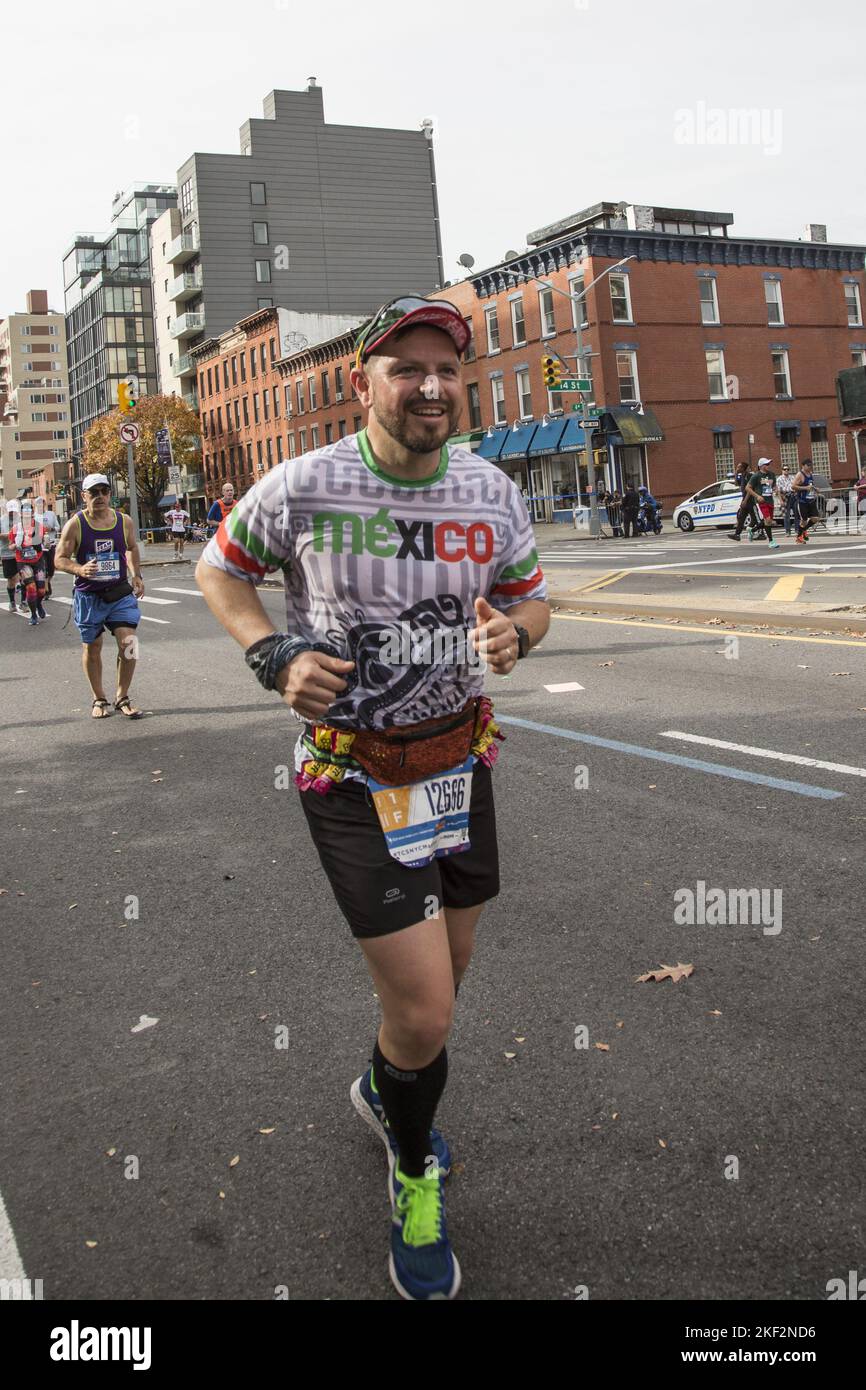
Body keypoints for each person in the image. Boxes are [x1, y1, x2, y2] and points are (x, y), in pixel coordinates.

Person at [196, 293, 550, 1301]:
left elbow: (533, 596)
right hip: (352, 774)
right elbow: (219, 570)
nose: (429, 385)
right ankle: (411, 1170)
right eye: (406, 367)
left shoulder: (488, 490)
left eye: (444, 368)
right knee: (429, 1007)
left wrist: (515, 636)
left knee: (445, 977)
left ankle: (385, 1085)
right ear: (363, 383)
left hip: (458, 763)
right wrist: (269, 652)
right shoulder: (302, 485)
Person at [53, 474, 146, 719]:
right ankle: (99, 698)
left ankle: (122, 696)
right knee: (92, 647)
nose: (100, 497)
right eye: (93, 493)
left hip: (118, 593)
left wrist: (137, 575)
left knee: (130, 644)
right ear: (84, 497)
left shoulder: (123, 521)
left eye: (104, 491)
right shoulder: (75, 524)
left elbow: (132, 547)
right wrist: (79, 569)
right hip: (89, 596)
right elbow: (59, 559)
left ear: (109, 494)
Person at [729, 457, 779, 546]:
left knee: (763, 520)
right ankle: (769, 540)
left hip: (755, 501)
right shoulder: (751, 476)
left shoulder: (752, 475)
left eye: (739, 467)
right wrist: (736, 473)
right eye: (766, 464)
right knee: (743, 518)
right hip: (759, 501)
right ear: (761, 466)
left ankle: (753, 530)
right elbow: (742, 485)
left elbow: (773, 486)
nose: (768, 465)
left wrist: (779, 496)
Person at [14, 503, 48, 626]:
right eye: (25, 511)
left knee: (42, 591)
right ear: (21, 513)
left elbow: (44, 542)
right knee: (31, 589)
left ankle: (39, 604)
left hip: (38, 560)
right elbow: (11, 545)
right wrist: (15, 546)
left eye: (29, 511)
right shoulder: (17, 528)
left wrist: (45, 543)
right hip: (23, 562)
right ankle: (33, 615)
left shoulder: (39, 526)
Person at [792, 457, 819, 544]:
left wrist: (815, 489)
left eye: (811, 465)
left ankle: (803, 531)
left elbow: (810, 485)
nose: (810, 467)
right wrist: (805, 488)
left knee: (815, 518)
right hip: (802, 501)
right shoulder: (800, 474)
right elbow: (793, 486)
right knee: (803, 520)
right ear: (803, 466)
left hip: (811, 500)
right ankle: (799, 538)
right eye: (808, 465)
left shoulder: (810, 474)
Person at [776, 463, 797, 537]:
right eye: (785, 469)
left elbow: (795, 486)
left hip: (793, 496)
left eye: (788, 469)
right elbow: (778, 490)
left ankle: (797, 530)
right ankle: (787, 531)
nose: (786, 470)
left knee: (796, 513)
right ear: (782, 470)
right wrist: (780, 500)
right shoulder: (779, 479)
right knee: (786, 515)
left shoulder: (792, 477)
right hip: (785, 497)